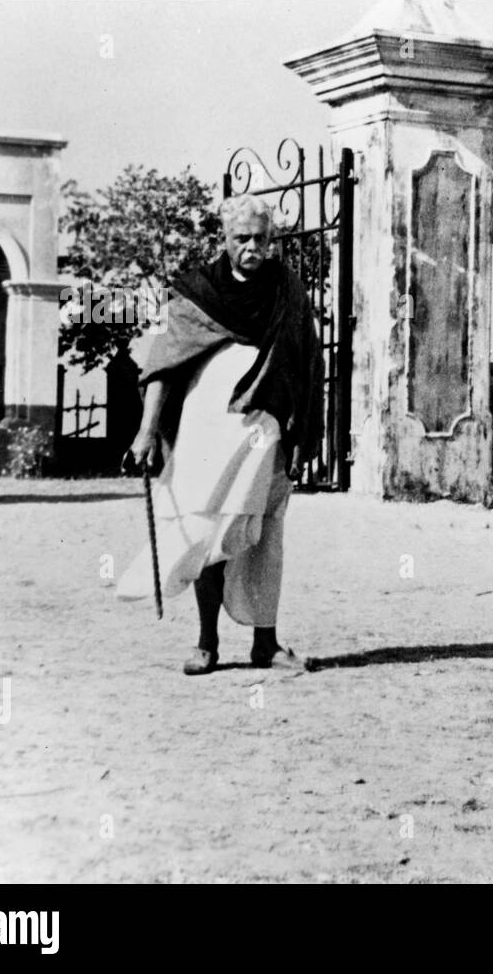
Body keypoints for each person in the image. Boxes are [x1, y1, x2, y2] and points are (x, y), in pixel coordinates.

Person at [117, 194, 324, 675]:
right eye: (241, 238)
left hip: (265, 434)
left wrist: (305, 435)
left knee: (263, 535)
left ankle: (265, 644)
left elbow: (309, 365)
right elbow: (163, 365)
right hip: (205, 433)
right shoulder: (195, 293)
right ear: (224, 240)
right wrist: (147, 432)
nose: (252, 247)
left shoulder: (288, 292)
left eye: (260, 238)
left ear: (272, 240)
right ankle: (206, 642)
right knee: (207, 527)